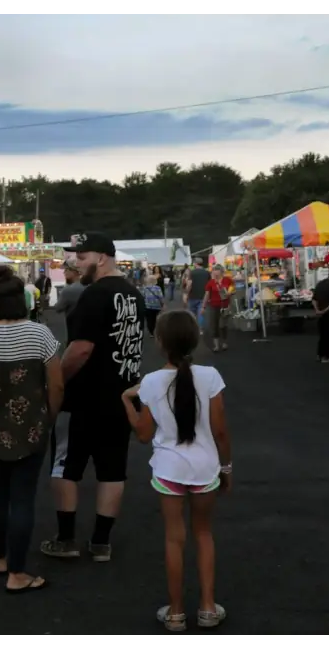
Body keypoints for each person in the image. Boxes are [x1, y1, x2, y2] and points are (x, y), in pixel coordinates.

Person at [122, 310, 232, 632]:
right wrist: (226, 467)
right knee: (203, 533)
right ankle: (209, 608)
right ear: (195, 340)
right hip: (205, 468)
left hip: (169, 470)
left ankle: (175, 612)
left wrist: (125, 401)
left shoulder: (151, 382)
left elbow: (143, 435)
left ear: (159, 343)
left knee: (174, 538)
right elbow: (221, 431)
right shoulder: (210, 376)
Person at [44, 233, 145, 563]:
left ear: (102, 258)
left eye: (83, 256)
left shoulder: (95, 295)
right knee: (112, 470)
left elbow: (81, 348)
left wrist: (55, 380)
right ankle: (101, 542)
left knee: (66, 466)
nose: (76, 262)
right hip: (122, 396)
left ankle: (66, 539)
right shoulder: (133, 294)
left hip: (83, 399)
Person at [0, 270, 63, 593]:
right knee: (23, 497)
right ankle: (18, 574)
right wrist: (49, 415)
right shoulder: (40, 336)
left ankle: (0, 557)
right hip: (31, 427)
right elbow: (56, 384)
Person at [203, 265, 233, 353]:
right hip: (213, 305)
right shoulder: (211, 282)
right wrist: (203, 306)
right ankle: (216, 345)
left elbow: (233, 289)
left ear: (221, 271)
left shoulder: (228, 280)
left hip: (225, 305)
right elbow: (207, 295)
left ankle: (224, 342)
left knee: (222, 325)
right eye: (214, 270)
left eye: (217, 270)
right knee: (214, 325)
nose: (215, 272)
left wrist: (229, 293)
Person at [185, 259, 210, 332]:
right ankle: (200, 329)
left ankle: (193, 328)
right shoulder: (207, 273)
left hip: (192, 296)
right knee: (201, 314)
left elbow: (189, 284)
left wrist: (186, 293)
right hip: (203, 296)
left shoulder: (192, 273)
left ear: (195, 263)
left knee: (192, 313)